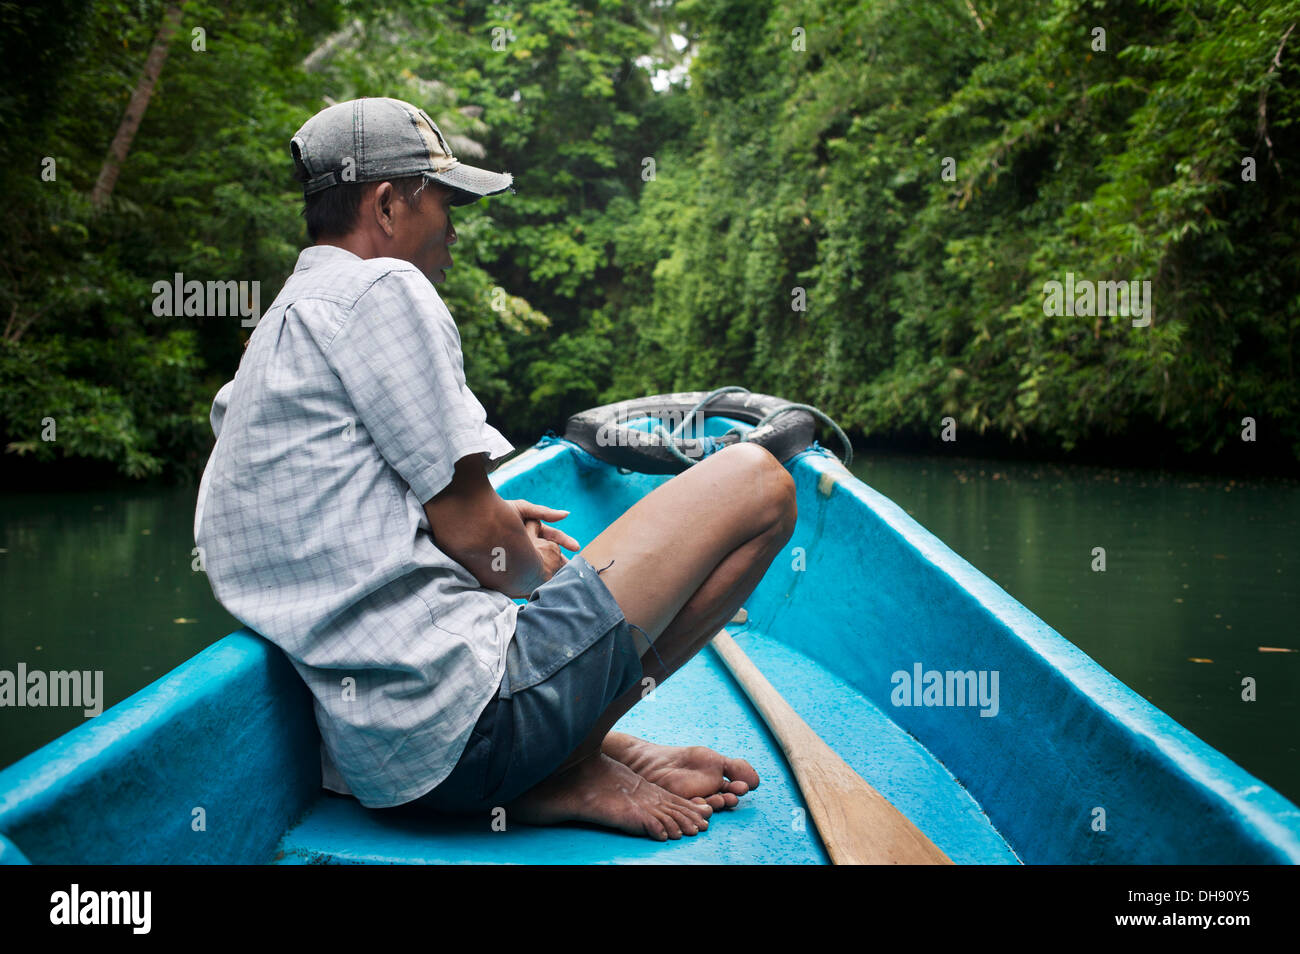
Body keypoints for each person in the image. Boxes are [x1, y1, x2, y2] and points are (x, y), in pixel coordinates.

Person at [194, 97, 795, 842]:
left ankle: (581, 757)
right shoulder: (382, 288)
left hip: (384, 767)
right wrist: (522, 557)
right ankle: (571, 759)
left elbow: (345, 522)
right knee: (758, 482)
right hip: (474, 726)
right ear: (386, 206)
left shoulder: (271, 339)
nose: (454, 228)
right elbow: (479, 538)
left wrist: (489, 531)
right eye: (444, 203)